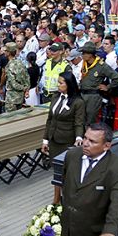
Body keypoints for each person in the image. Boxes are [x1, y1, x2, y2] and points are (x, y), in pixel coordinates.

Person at [58, 122, 118, 236]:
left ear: (106, 146)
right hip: (68, 232)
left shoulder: (117, 168)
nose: (85, 143)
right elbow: (65, 184)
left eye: (92, 141)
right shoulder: (72, 155)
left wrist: (110, 231)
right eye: (85, 138)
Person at [43, 72, 86, 204]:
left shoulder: (78, 102)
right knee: (57, 172)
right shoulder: (56, 97)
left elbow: (79, 122)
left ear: (69, 85)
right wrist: (45, 140)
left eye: (61, 82)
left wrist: (79, 138)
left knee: (67, 173)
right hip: (54, 141)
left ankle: (70, 199)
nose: (58, 85)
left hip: (66, 141)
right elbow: (50, 119)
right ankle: (56, 200)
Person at [79, 41, 118, 125]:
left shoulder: (101, 66)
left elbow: (117, 78)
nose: (82, 55)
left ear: (90, 54)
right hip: (82, 94)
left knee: (90, 120)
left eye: (84, 53)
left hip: (93, 96)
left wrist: (108, 87)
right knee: (81, 119)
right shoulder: (84, 63)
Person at [1, 42, 29, 112]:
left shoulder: (9, 66)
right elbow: (27, 78)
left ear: (9, 53)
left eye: (6, 51)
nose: (4, 52)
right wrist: (26, 88)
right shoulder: (20, 63)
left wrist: (24, 88)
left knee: (11, 119)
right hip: (20, 98)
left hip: (11, 99)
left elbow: (13, 84)